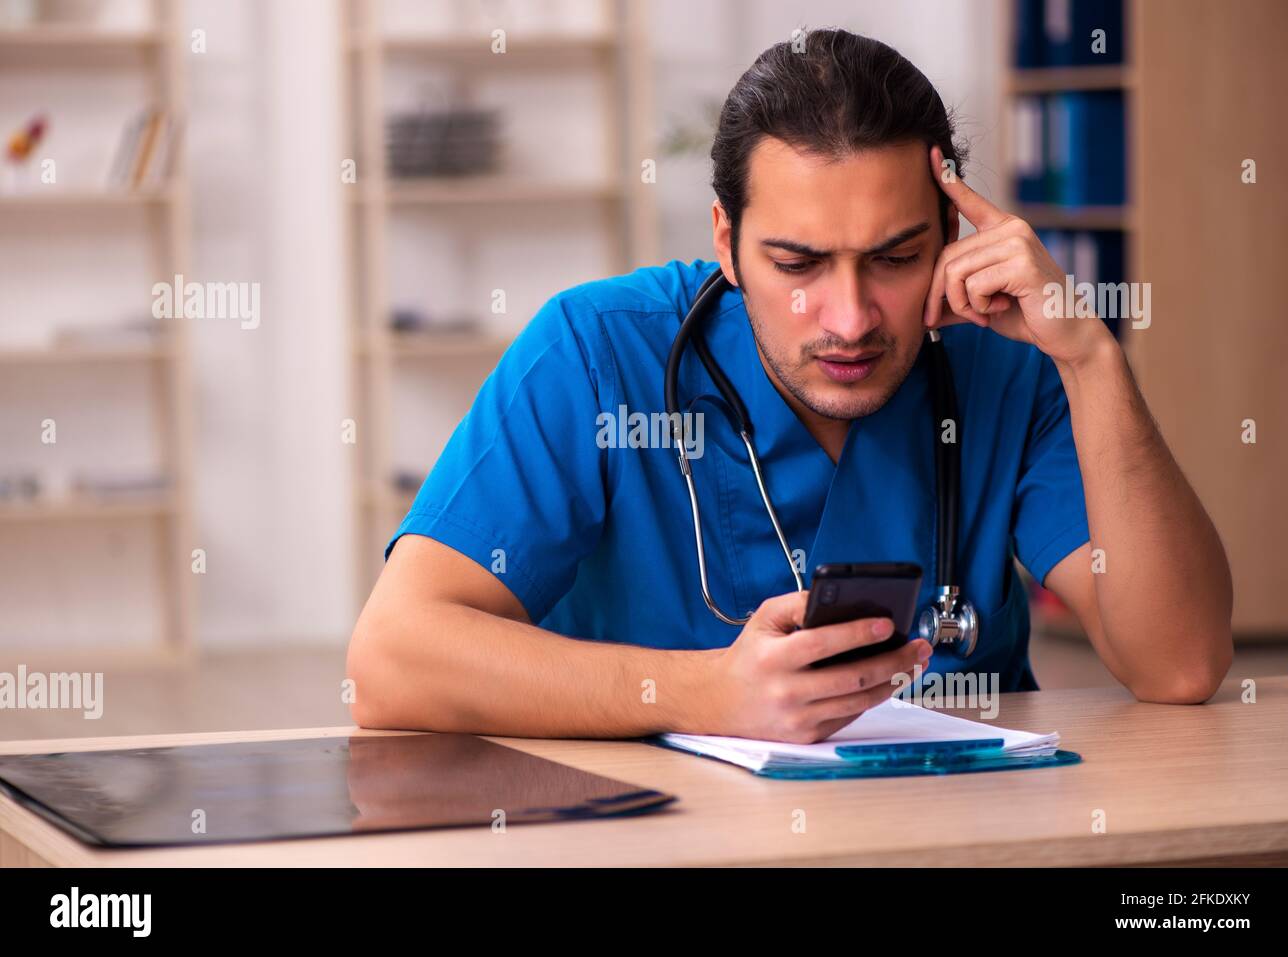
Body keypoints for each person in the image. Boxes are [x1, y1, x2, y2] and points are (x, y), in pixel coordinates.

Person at [346, 29, 1233, 743]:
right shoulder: (595, 353)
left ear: (953, 238)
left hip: (961, 834)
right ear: (726, 241)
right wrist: (701, 690)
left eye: (895, 258)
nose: (849, 319)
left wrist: (1091, 356)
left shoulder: (1008, 368)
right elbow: (392, 659)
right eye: (797, 262)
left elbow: (1181, 665)